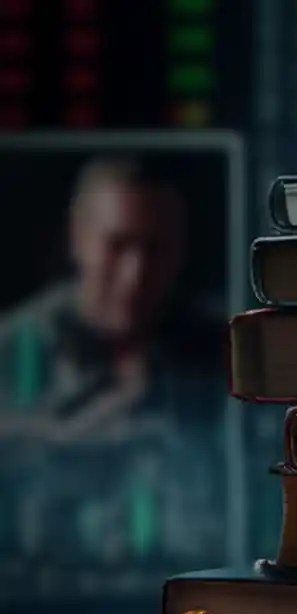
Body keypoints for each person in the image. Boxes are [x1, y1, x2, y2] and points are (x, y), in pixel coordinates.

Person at [0, 154, 220, 442]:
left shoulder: (223, 352)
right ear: (78, 238)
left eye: (155, 249)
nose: (135, 274)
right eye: (116, 245)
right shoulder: (11, 351)